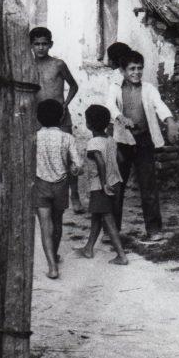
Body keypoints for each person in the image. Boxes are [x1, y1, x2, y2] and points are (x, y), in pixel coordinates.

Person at [106, 50, 178, 241]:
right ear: (122, 70)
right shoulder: (116, 88)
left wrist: (170, 122)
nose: (136, 72)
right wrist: (121, 117)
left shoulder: (148, 88)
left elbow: (159, 105)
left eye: (139, 68)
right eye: (132, 69)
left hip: (144, 141)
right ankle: (112, 231)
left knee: (148, 185)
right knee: (117, 185)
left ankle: (153, 229)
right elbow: (110, 106)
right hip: (122, 141)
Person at [29, 27, 83, 213]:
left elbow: (74, 86)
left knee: (68, 154)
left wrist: (65, 105)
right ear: (31, 45)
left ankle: (74, 194)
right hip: (38, 117)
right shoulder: (28, 65)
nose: (41, 48)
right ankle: (40, 194)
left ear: (50, 44)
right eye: (37, 44)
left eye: (44, 44)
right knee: (37, 153)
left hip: (60, 115)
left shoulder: (58, 64)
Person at [34, 99, 82, 279]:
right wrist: (73, 168)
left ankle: (52, 266)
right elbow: (78, 166)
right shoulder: (67, 138)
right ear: (61, 117)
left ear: (38, 118)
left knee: (45, 226)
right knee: (58, 223)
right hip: (61, 185)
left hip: (40, 184)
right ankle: (54, 254)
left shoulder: (34, 137)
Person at [75, 104, 128, 265]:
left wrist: (104, 183)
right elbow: (121, 159)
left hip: (101, 186)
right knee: (97, 216)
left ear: (88, 124)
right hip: (116, 182)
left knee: (107, 218)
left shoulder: (93, 143)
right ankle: (89, 247)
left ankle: (121, 255)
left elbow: (100, 162)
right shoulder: (111, 140)